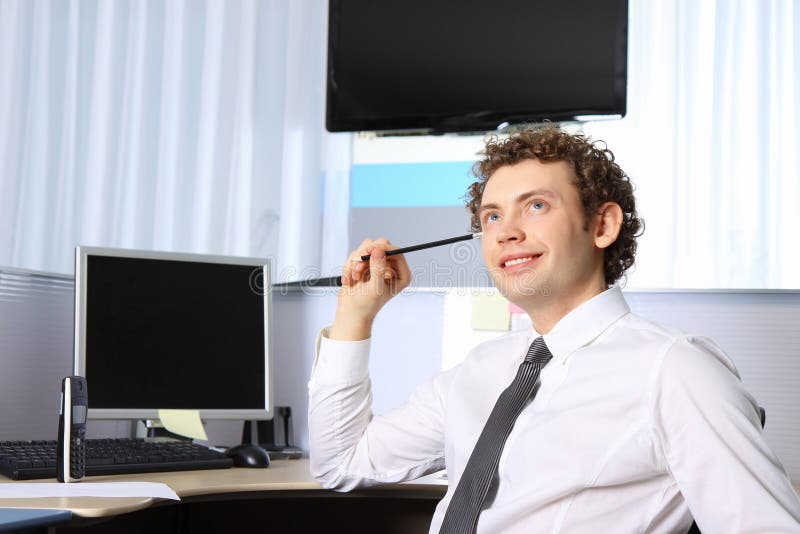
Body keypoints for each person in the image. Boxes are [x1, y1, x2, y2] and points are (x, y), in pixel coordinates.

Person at [308, 125, 800, 533]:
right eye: (492, 216)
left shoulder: (675, 370)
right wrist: (356, 314)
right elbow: (341, 462)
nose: (506, 231)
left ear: (602, 226)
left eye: (536, 206)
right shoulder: (479, 371)